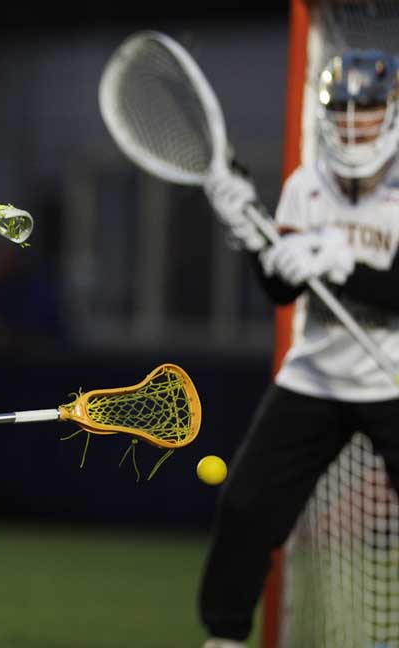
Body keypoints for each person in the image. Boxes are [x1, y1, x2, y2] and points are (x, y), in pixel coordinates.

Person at [197, 49, 399, 648]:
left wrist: (344, 263)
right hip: (316, 377)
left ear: (389, 114)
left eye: (365, 112)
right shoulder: (306, 185)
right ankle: (226, 638)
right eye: (342, 111)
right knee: (246, 508)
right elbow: (282, 289)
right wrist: (255, 237)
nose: (352, 124)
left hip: (392, 378)